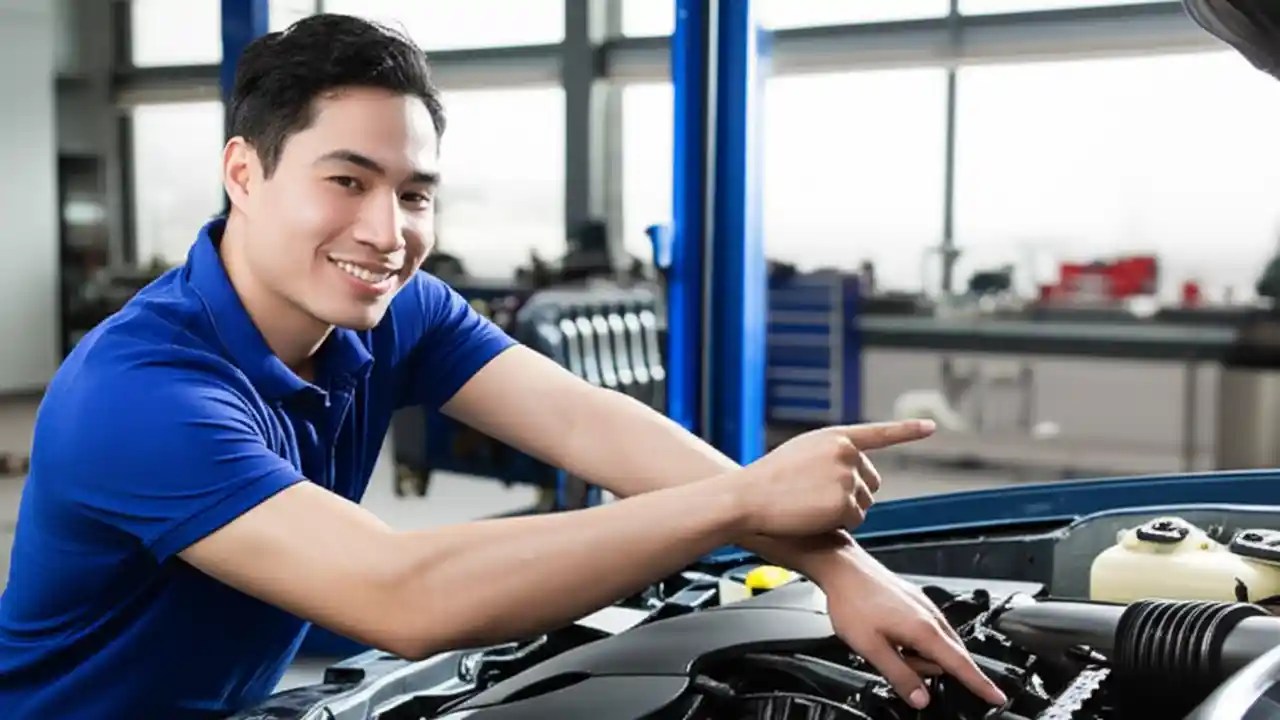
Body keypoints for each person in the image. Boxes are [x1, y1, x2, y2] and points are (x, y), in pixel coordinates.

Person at [0, 14, 1006, 719]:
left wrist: (840, 567)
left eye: (415, 193)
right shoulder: (141, 394)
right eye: (346, 180)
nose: (387, 232)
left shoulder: (398, 314)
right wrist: (744, 505)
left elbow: (589, 425)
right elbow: (402, 596)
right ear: (244, 174)